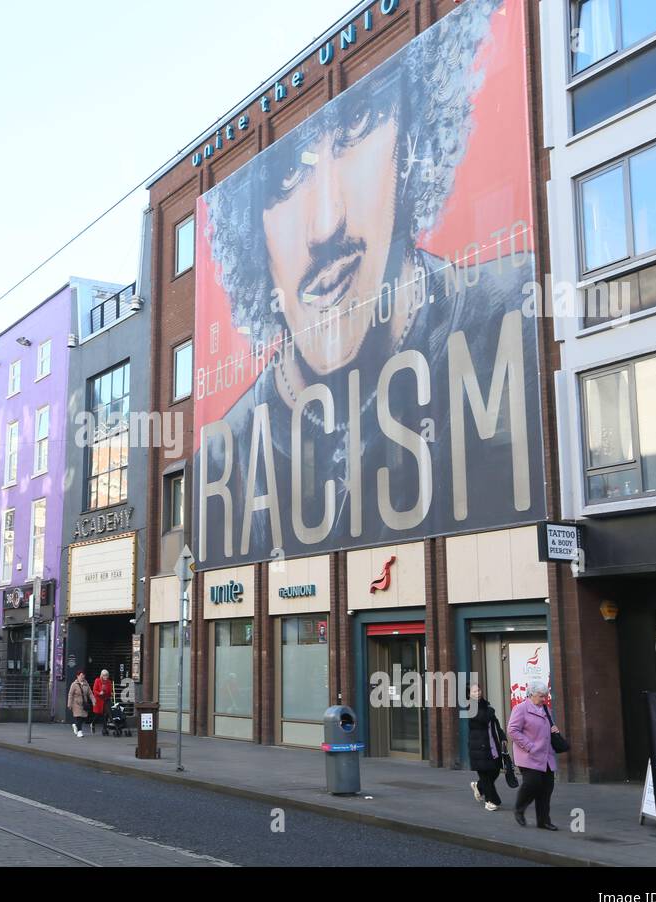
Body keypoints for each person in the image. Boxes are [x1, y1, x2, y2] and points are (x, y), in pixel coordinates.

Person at [194, 0, 538, 565]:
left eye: (356, 128)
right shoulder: (219, 458)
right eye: (286, 177)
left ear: (411, 141)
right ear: (252, 236)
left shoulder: (519, 318)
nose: (326, 223)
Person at [506, 680, 560, 830]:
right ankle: (519, 808)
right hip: (529, 756)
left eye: (545, 696)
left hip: (546, 756)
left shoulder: (546, 710)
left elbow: (546, 729)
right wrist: (529, 746)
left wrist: (554, 730)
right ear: (531, 694)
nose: (544, 699)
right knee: (532, 784)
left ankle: (543, 821)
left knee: (547, 788)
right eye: (541, 696)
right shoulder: (521, 709)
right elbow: (512, 730)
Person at [466, 684, 508, 811]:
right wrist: (490, 709)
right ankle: (490, 801)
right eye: (474, 692)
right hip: (479, 748)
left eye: (478, 690)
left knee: (495, 771)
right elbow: (484, 718)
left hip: (492, 746)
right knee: (485, 775)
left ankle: (478, 786)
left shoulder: (486, 706)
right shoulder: (470, 708)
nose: (477, 693)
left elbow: (496, 724)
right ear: (469, 695)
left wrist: (503, 737)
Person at [68, 670, 93, 738]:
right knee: (79, 717)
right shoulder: (74, 684)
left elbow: (90, 693)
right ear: (78, 676)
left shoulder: (86, 684)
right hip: (76, 704)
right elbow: (70, 694)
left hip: (84, 704)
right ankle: (79, 732)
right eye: (81, 675)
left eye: (83, 675)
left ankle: (76, 725)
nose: (82, 677)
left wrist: (93, 701)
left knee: (83, 717)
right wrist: (69, 704)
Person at [91, 669, 113, 735]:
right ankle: (93, 724)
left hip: (106, 700)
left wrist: (108, 693)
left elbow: (110, 691)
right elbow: (94, 690)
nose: (105, 677)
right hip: (98, 700)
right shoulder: (97, 680)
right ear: (101, 675)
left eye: (106, 675)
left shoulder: (109, 682)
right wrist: (99, 693)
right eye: (104, 675)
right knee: (97, 714)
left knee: (105, 714)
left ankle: (104, 729)